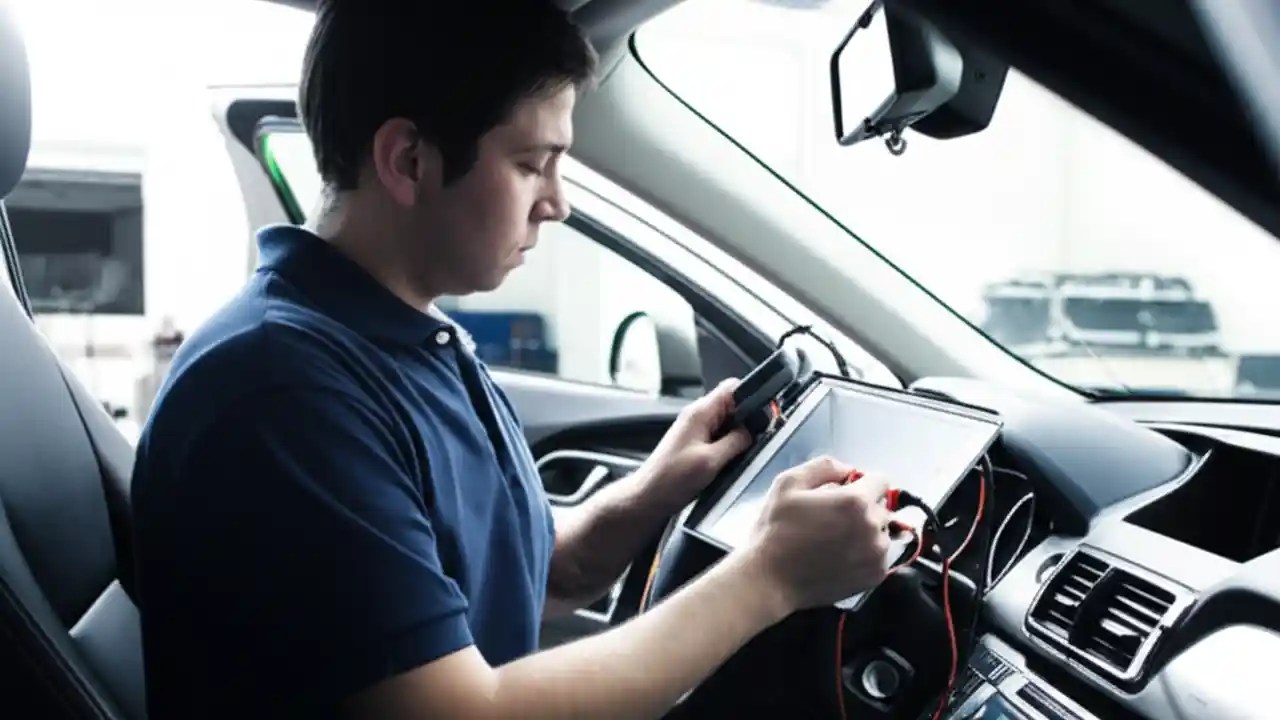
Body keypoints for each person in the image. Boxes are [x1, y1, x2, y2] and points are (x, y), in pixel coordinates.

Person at [129, 1, 894, 718]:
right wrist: (771, 576)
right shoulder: (283, 391)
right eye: (534, 163)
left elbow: (540, 577)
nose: (556, 201)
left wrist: (655, 490)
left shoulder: (408, 341)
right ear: (408, 160)